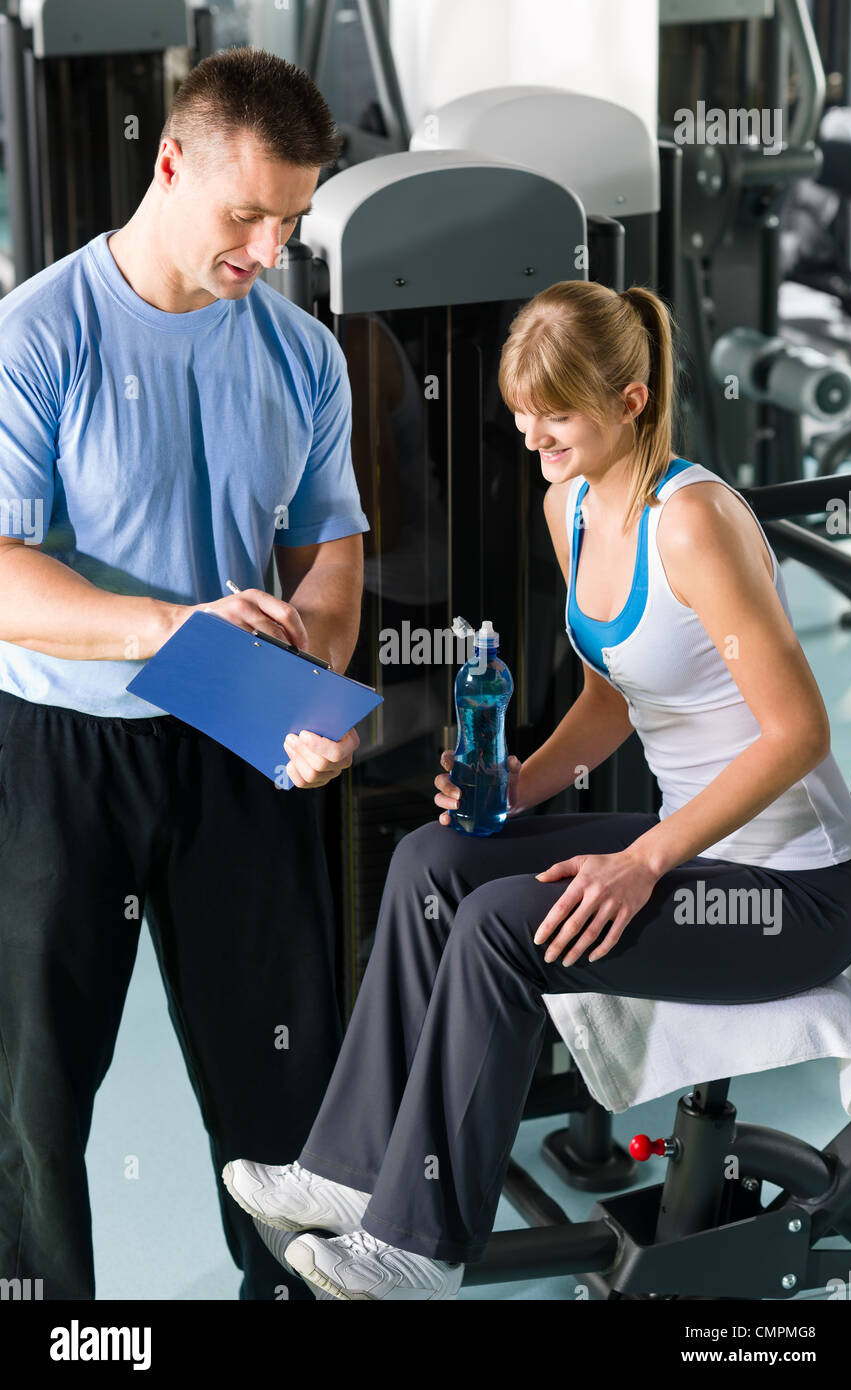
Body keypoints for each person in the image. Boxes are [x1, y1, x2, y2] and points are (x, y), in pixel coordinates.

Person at [224, 276, 851, 1302]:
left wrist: (641, 860)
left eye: (553, 415)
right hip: (690, 841)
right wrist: (522, 783)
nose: (531, 437)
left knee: (497, 928)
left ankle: (420, 1247)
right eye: (520, 415)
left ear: (628, 400)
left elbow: (797, 731)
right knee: (432, 860)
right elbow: (615, 696)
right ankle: (348, 1172)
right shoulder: (566, 504)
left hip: (792, 891)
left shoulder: (694, 522)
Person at [0, 47, 371, 1301]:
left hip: (234, 729)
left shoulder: (302, 353)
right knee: (33, 1091)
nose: (267, 247)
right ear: (170, 164)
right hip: (61, 747)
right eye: (246, 215)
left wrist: (314, 690)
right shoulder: (36, 334)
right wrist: (171, 628)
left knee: (285, 1070)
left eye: (291, 220)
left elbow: (330, 550)